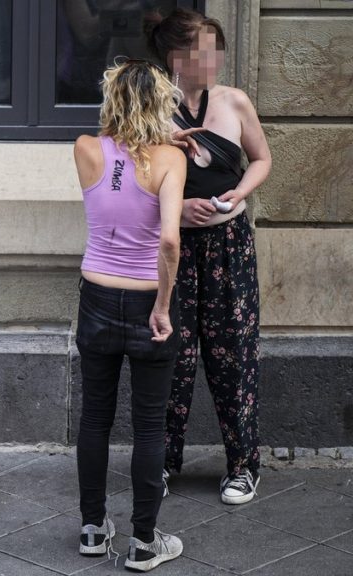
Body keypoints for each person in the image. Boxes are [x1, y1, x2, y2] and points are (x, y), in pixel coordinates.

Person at [148, 8, 272, 505]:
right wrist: (177, 209)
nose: (215, 58)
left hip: (229, 248)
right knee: (170, 358)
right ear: (178, 57)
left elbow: (262, 158)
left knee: (235, 357)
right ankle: (161, 461)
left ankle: (243, 465)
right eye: (204, 49)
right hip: (172, 251)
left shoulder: (234, 102)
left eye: (217, 47)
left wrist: (238, 193)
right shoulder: (151, 109)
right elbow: (134, 180)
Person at [73, 59, 185, 571]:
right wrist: (162, 307)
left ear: (111, 100)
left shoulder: (85, 149)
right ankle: (144, 543)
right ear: (162, 104)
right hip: (146, 299)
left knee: (95, 418)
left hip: (96, 294)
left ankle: (94, 530)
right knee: (147, 426)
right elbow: (168, 239)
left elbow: (114, 153)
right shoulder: (170, 160)